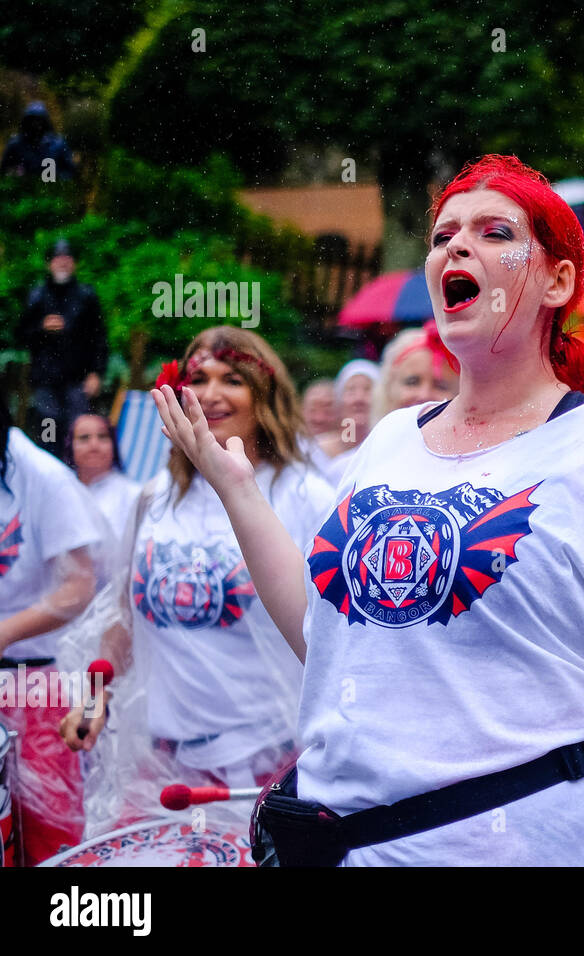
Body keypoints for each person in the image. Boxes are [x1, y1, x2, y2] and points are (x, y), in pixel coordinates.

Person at [152, 154, 584, 867]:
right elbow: (325, 640)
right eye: (443, 236)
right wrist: (235, 487)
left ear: (558, 281)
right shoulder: (393, 438)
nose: (456, 246)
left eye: (494, 233)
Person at [60, 327, 334, 809]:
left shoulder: (306, 497)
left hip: (264, 771)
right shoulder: (156, 497)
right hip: (160, 767)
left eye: (232, 379)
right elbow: (124, 615)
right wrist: (95, 696)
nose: (210, 394)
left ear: (264, 393)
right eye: (198, 378)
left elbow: (335, 637)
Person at [0, 384, 103, 863]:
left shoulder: (44, 477)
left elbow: (79, 587)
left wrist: (3, 633)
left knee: (47, 837)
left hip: (34, 686)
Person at [18, 239, 108, 444]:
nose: (63, 263)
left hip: (78, 380)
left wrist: (96, 373)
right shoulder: (37, 296)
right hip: (45, 381)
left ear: (74, 263)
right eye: (58, 258)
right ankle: (46, 474)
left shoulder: (86, 296)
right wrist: (41, 328)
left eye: (67, 258)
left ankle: (77, 474)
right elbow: (21, 335)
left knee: (78, 432)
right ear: (49, 264)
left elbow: (99, 338)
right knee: (47, 434)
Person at [68, 413, 141, 547]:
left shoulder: (135, 495)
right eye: (84, 438)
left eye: (102, 437)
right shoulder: (61, 491)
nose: (94, 446)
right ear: (70, 447)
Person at [371, 323, 460, 423]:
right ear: (389, 387)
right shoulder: (376, 438)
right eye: (412, 382)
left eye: (440, 386)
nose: (424, 395)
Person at [311, 359, 379, 486]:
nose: (359, 399)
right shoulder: (315, 450)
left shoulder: (388, 449)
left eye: (368, 390)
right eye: (351, 390)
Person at [1, 102, 78, 180]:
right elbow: (4, 172)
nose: (35, 124)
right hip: (23, 189)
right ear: (26, 122)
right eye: (31, 121)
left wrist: (56, 177)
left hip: (51, 188)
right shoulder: (15, 145)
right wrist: (15, 174)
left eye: (38, 121)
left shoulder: (58, 144)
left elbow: (70, 171)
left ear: (45, 122)